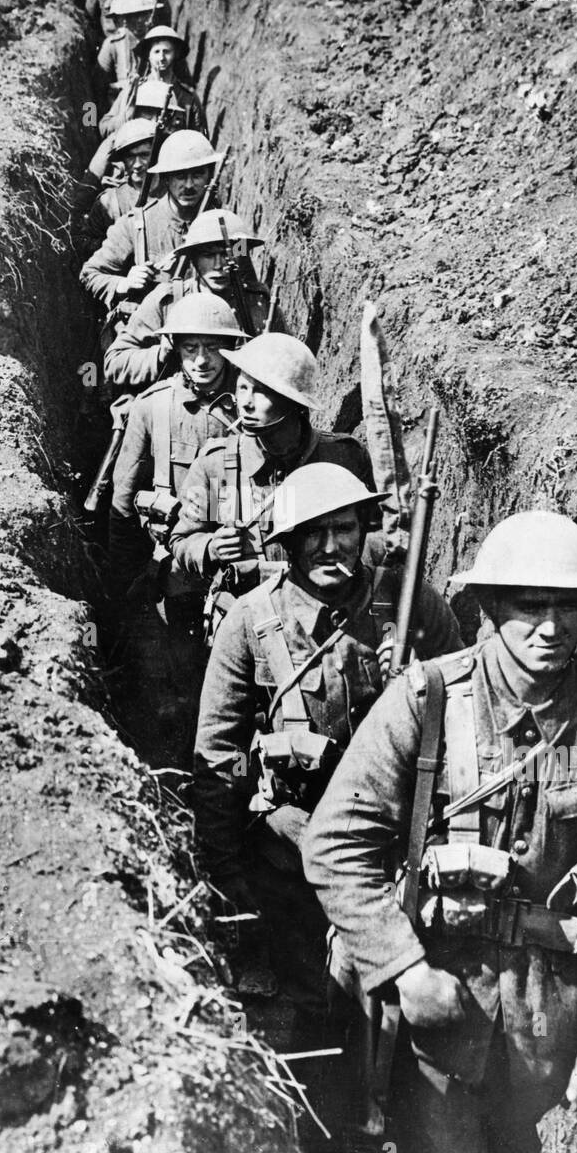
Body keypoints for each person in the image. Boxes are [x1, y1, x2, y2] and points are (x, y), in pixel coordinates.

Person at [302, 510, 577, 1153]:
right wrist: (405, 970)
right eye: (528, 605)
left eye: (569, 606)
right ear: (486, 606)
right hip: (438, 1015)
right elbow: (334, 843)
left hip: (558, 1033)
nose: (551, 626)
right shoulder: (425, 701)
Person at [192, 464, 462, 1053]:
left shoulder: (412, 603)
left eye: (343, 528)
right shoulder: (251, 623)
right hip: (293, 861)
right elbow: (217, 759)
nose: (331, 546)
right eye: (312, 533)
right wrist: (229, 883)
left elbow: (467, 715)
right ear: (286, 542)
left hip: (397, 850)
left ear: (365, 528)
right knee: (313, 1015)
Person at [109, 295, 248, 751]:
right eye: (191, 349)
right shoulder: (154, 408)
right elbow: (123, 501)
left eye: (213, 348)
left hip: (243, 558)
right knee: (178, 669)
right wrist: (125, 586)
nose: (202, 360)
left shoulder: (255, 403)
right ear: (175, 350)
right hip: (176, 562)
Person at [169, 333, 372, 641]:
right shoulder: (217, 465)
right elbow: (182, 540)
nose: (246, 402)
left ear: (293, 400)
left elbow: (378, 534)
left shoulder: (342, 456)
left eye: (261, 391)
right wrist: (211, 548)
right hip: (248, 624)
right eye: (242, 387)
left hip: (333, 618)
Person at [104, 210, 275, 395]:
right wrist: (160, 355)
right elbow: (115, 361)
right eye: (208, 256)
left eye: (227, 254)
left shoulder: (258, 303)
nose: (218, 265)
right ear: (193, 258)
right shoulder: (167, 301)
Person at [80, 129, 223, 313]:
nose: (188, 185)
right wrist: (124, 283)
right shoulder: (136, 225)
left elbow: (244, 272)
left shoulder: (222, 224)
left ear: (209, 177)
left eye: (197, 175)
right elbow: (90, 274)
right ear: (166, 178)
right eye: (180, 176)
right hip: (149, 333)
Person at [100, 25, 205, 137]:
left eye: (166, 52)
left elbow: (200, 140)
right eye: (156, 52)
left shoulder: (188, 98)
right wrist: (124, 118)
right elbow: (104, 127)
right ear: (148, 55)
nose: (161, 58)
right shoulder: (134, 90)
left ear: (176, 54)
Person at [72, 118, 156, 250]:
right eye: (130, 157)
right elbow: (84, 242)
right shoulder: (109, 203)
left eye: (144, 155)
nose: (137, 164)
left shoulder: (172, 195)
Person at [96, 0, 158, 98]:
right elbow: (98, 85)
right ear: (125, 18)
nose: (140, 20)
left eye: (144, 14)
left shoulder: (158, 42)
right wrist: (118, 87)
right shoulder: (113, 44)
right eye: (134, 15)